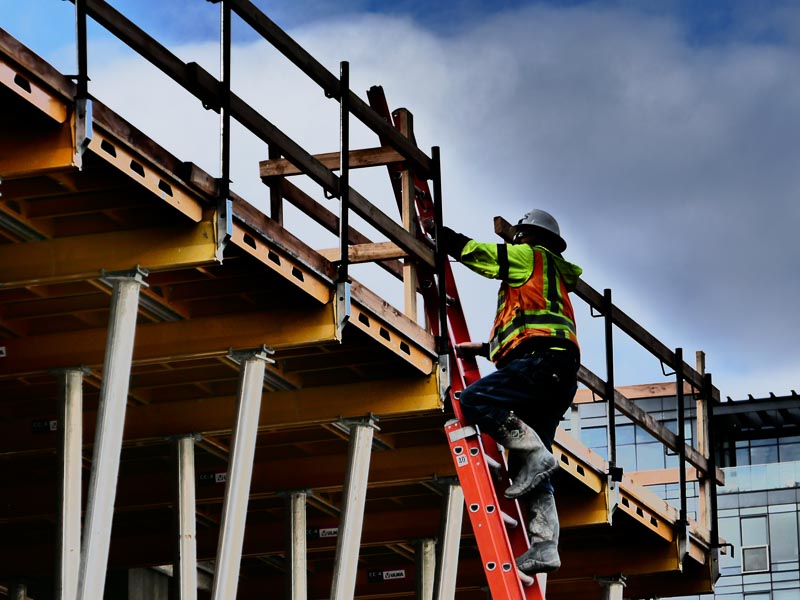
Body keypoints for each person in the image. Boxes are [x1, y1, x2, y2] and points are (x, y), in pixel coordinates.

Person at [426, 209, 582, 575]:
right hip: (557, 373)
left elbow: (484, 256)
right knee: (529, 470)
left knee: (476, 401)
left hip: (540, 364)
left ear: (524, 237)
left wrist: (444, 236)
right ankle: (545, 545)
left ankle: (535, 453)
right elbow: (530, 328)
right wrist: (484, 349)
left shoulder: (530, 257)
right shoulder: (551, 280)